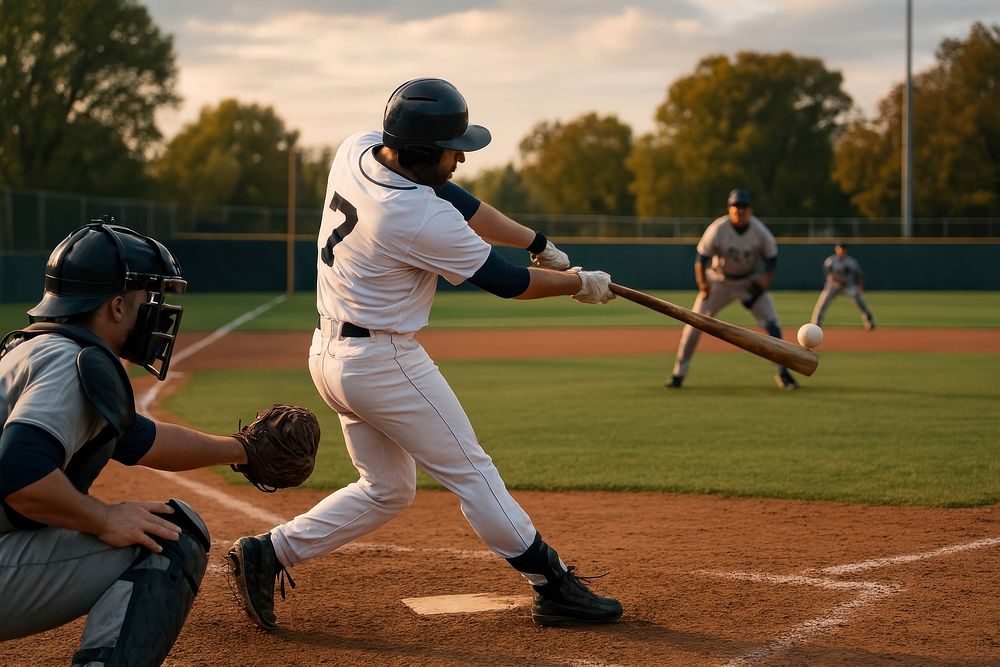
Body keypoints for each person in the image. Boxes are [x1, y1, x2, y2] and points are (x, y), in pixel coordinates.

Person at [226, 77, 623, 630]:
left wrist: (537, 243)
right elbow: (508, 283)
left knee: (387, 489)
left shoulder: (358, 149)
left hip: (329, 356)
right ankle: (553, 586)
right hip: (382, 362)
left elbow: (457, 198)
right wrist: (579, 283)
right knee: (472, 473)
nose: (461, 158)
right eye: (452, 149)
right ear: (422, 151)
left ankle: (269, 553)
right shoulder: (412, 217)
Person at [0, 219, 255, 665]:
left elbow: (142, 439)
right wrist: (101, 518)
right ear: (116, 307)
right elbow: (20, 473)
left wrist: (242, 449)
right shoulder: (71, 362)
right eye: (146, 298)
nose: (154, 310)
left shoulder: (27, 350)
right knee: (171, 537)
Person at [667, 188, 800, 390]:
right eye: (736, 206)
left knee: (772, 324)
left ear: (750, 210)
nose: (740, 210)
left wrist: (765, 279)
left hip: (748, 282)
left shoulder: (759, 231)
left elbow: (772, 258)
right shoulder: (718, 228)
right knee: (693, 324)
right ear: (729, 209)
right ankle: (679, 374)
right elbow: (701, 259)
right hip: (719, 281)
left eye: (744, 206)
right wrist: (702, 283)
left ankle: (783, 372)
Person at [811, 241, 875, 331]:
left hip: (847, 286)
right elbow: (829, 276)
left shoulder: (851, 262)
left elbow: (859, 274)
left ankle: (869, 321)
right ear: (836, 249)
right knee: (822, 303)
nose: (841, 250)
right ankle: (816, 324)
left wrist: (859, 285)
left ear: (845, 250)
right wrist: (838, 281)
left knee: (858, 298)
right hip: (833, 285)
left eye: (843, 249)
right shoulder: (830, 261)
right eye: (839, 248)